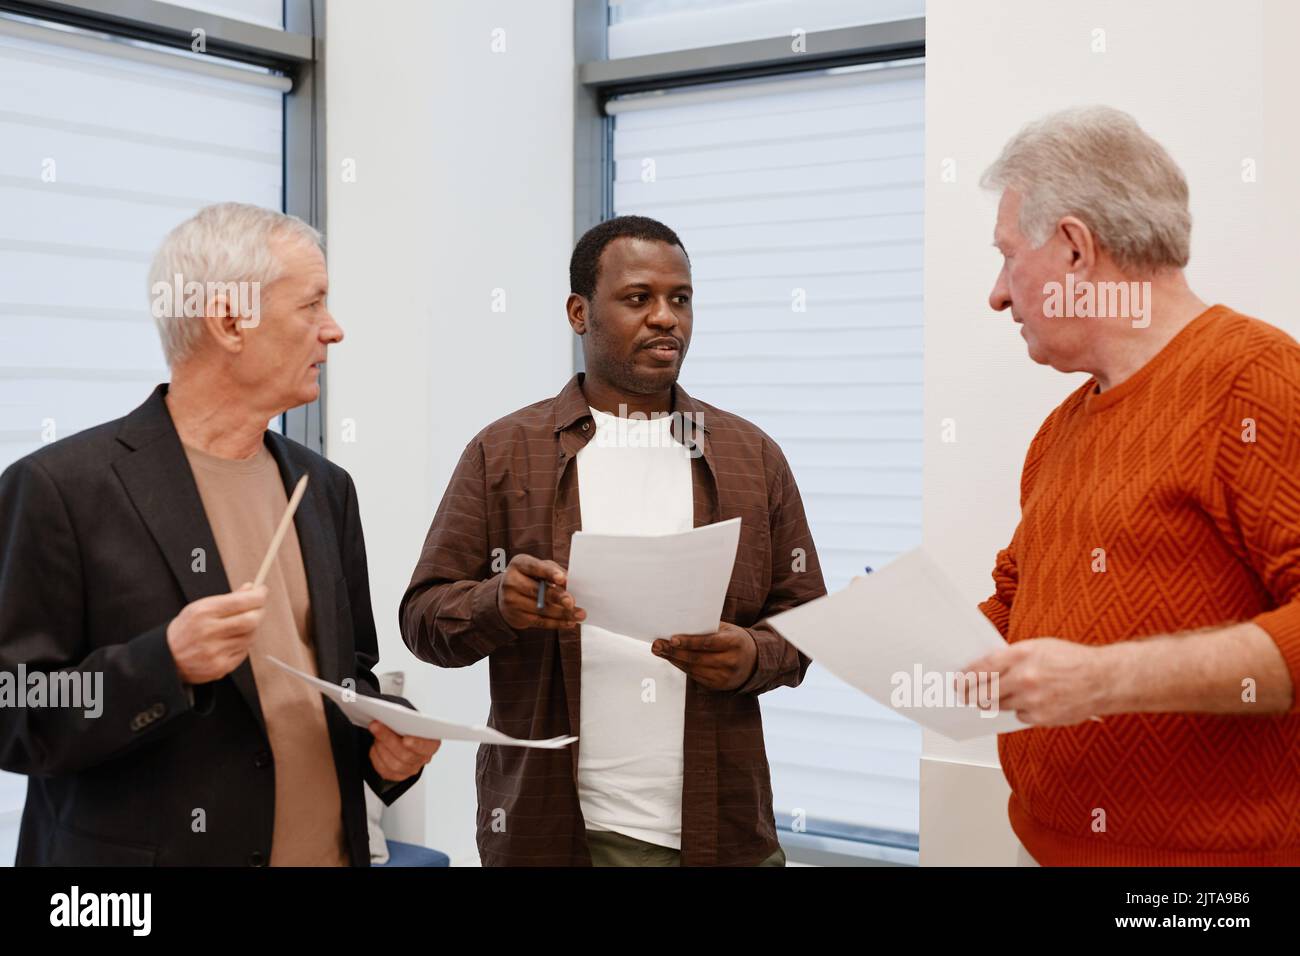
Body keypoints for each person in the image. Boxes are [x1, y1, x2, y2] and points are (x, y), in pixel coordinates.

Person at [0, 202, 439, 865]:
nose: (334, 330)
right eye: (312, 306)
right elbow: (16, 711)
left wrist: (386, 750)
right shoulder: (61, 489)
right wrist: (163, 663)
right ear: (232, 320)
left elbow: (348, 679)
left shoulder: (325, 489)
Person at [400, 215, 825, 866]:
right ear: (579, 313)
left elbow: (806, 623)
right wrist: (498, 604)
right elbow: (424, 620)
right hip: (556, 833)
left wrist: (751, 656)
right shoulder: (504, 453)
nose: (666, 318)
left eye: (680, 299)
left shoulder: (750, 455)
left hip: (725, 834)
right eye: (638, 298)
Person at [963, 107, 1300, 865]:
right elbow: (1018, 605)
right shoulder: (1060, 427)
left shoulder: (1259, 382)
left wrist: (1104, 680)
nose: (997, 294)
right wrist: (905, 645)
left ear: (1076, 248)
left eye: (1008, 257)